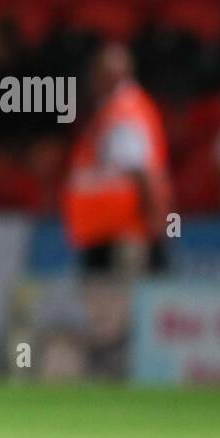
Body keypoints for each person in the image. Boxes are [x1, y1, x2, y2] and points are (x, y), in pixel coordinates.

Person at [62, 42, 172, 276]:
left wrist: (156, 231)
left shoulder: (124, 113)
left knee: (119, 306)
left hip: (123, 236)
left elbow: (141, 173)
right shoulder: (114, 109)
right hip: (109, 232)